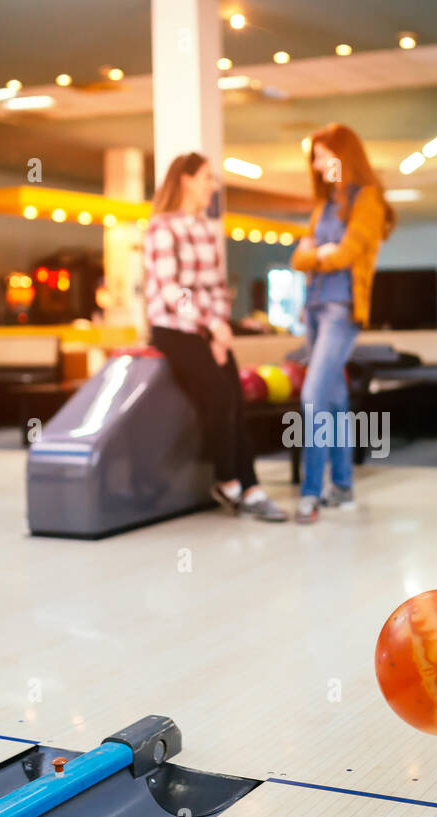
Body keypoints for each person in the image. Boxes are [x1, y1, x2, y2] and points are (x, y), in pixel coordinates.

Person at [143, 152, 286, 522]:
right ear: (187, 179)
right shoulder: (162, 227)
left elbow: (218, 288)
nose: (213, 186)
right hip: (175, 329)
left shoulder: (206, 228)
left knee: (236, 400)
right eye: (208, 177)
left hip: (209, 329)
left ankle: (251, 489)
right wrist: (209, 325)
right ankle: (225, 477)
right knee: (220, 398)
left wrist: (219, 330)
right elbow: (171, 289)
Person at [289, 123, 396, 523]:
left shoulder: (368, 199)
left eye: (321, 156)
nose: (316, 166)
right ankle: (344, 487)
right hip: (313, 309)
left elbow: (347, 253)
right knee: (332, 403)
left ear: (343, 155)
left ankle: (310, 494)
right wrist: (318, 253)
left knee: (312, 397)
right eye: (313, 158)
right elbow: (298, 258)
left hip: (342, 310)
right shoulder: (324, 205)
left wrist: (316, 253)